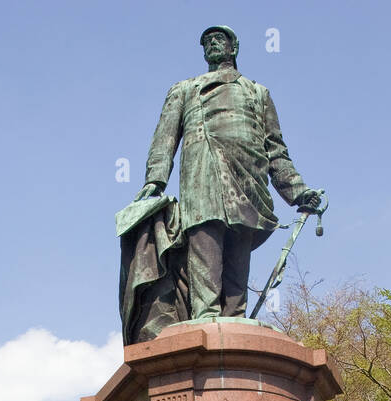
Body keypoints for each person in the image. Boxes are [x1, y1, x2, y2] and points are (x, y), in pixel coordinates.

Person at [136, 25, 323, 323]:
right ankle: (206, 318)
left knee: (238, 258)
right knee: (205, 245)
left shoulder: (258, 93)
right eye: (206, 42)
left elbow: (275, 150)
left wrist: (297, 191)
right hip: (203, 177)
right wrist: (154, 179)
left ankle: (235, 321)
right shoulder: (186, 89)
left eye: (218, 39)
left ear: (234, 48)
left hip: (248, 182)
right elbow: (165, 138)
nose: (212, 44)